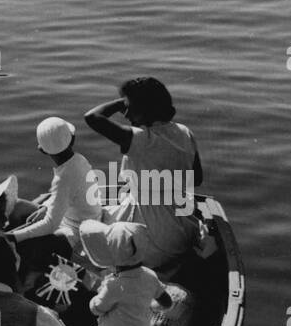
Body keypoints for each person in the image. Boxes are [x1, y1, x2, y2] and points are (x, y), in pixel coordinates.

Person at [84, 77, 203, 270]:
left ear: (144, 108)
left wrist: (119, 103)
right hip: (181, 232)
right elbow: (197, 179)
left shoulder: (141, 139)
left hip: (152, 238)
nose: (126, 114)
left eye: (128, 107)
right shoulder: (185, 132)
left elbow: (92, 117)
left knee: (85, 227)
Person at [77, 220, 171, 326]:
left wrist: (94, 298)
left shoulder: (115, 285)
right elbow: (166, 302)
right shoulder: (150, 275)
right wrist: (149, 305)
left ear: (111, 250)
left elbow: (97, 309)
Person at [9, 117, 102, 252]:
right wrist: (46, 207)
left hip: (77, 232)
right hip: (84, 218)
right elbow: (67, 194)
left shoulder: (63, 177)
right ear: (73, 139)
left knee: (27, 245)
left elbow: (51, 224)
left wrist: (13, 237)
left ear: (42, 150)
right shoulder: (79, 160)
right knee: (18, 206)